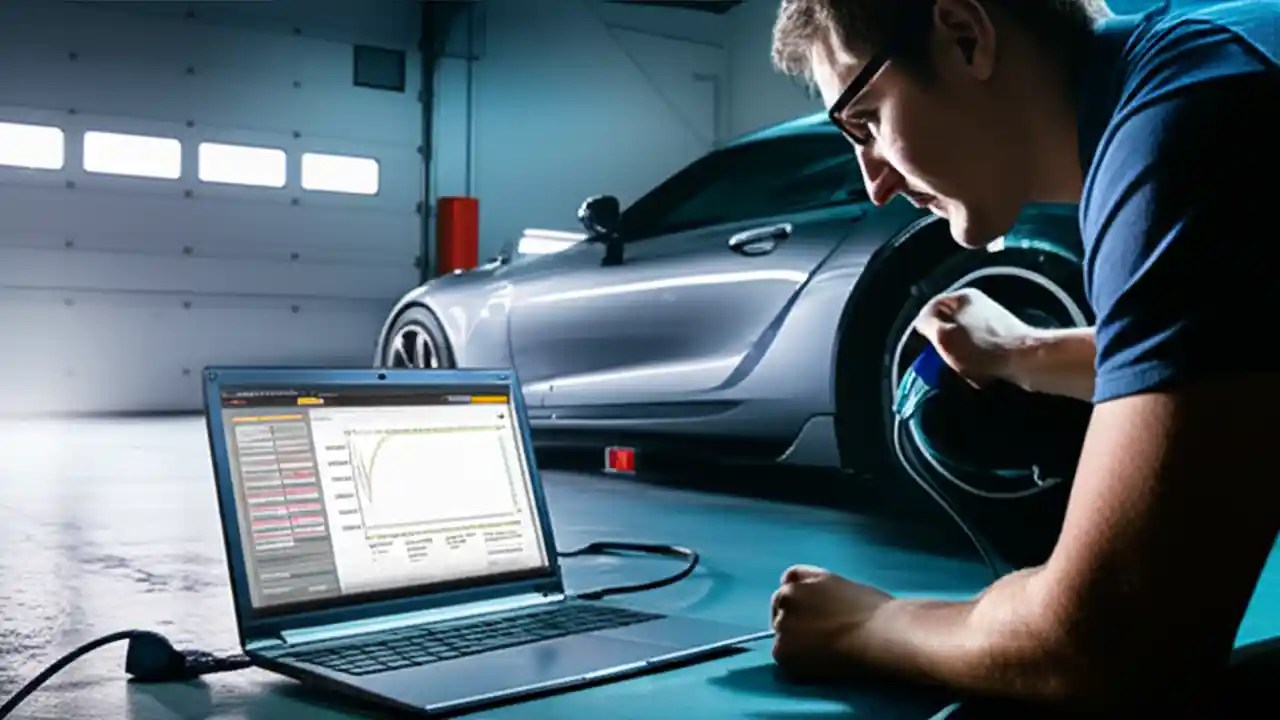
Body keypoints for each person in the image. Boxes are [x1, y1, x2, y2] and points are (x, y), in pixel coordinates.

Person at [766, 0, 1280, 715]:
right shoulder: (1213, 59)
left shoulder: (1181, 129)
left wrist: (867, 625)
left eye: (867, 120)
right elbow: (1233, 351)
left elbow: (1104, 643)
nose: (874, 182)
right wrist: (1021, 354)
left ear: (965, 36)